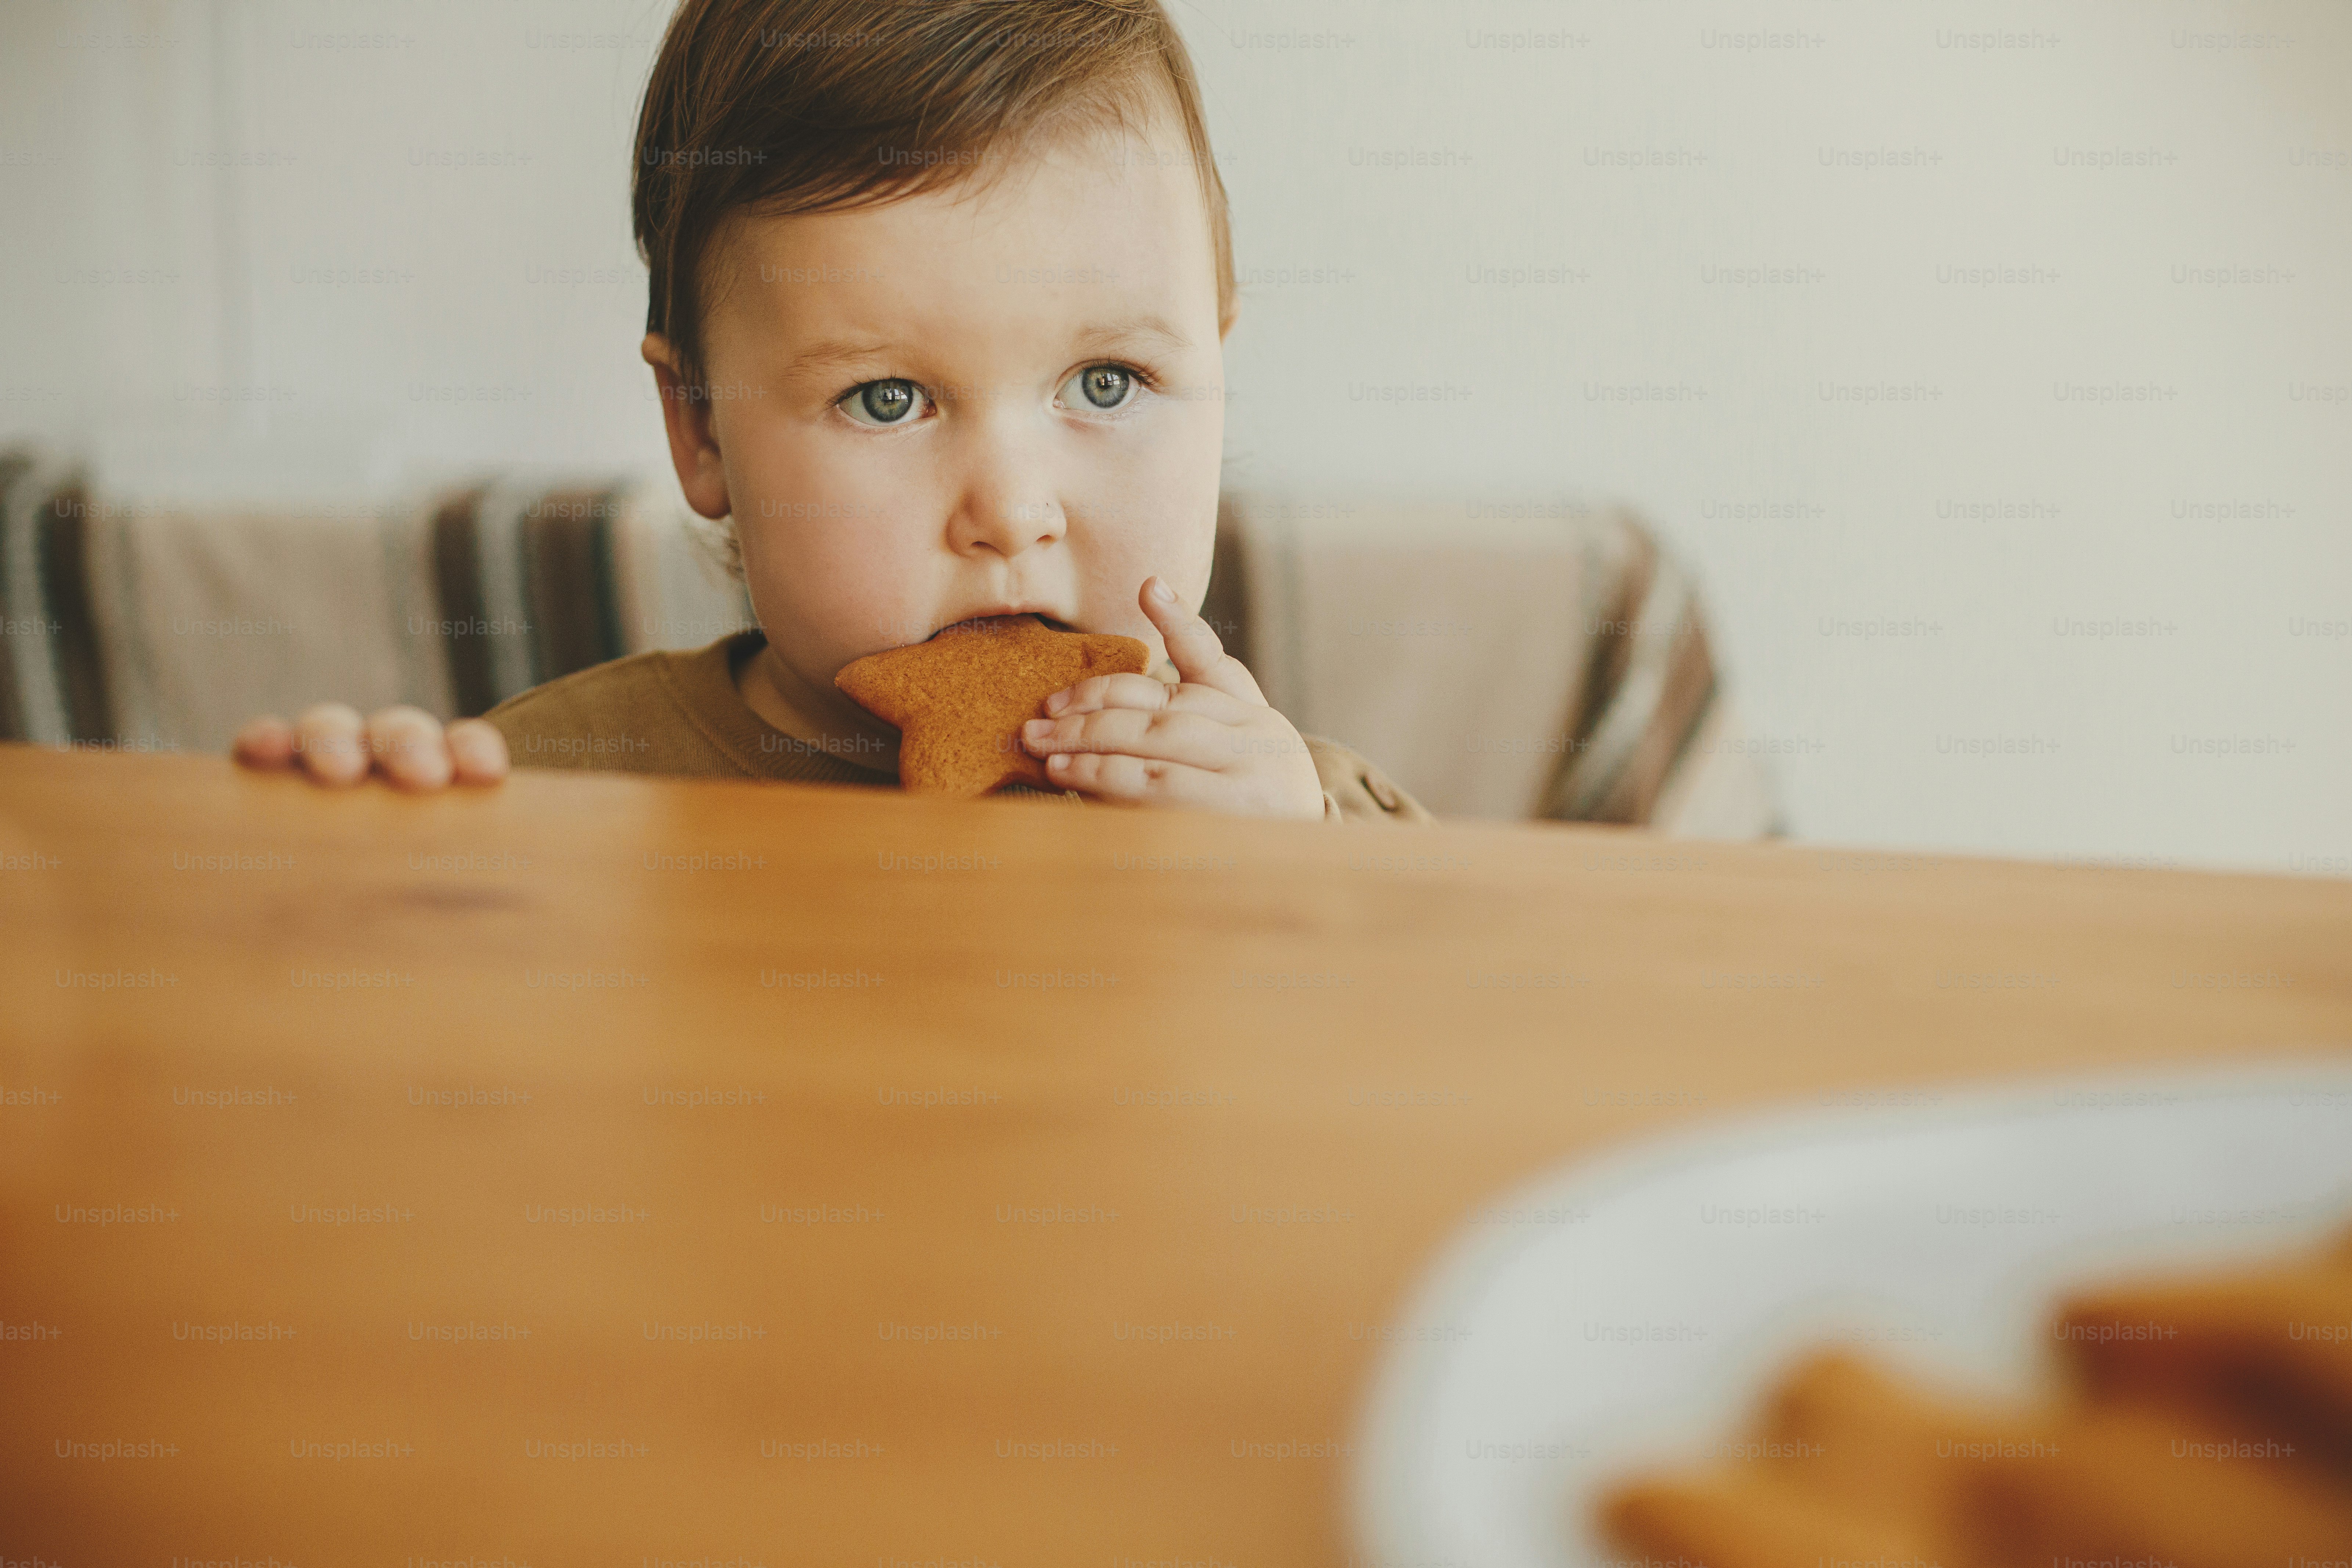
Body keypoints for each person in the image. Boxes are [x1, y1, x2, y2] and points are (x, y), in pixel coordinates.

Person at [235, 0, 1429, 825]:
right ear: (699, 429)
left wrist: (1297, 888)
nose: (1012, 513)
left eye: (1104, 383)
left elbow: (1481, 1103)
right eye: (888, 398)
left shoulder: (1294, 816)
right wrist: (366, 882)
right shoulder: (560, 786)